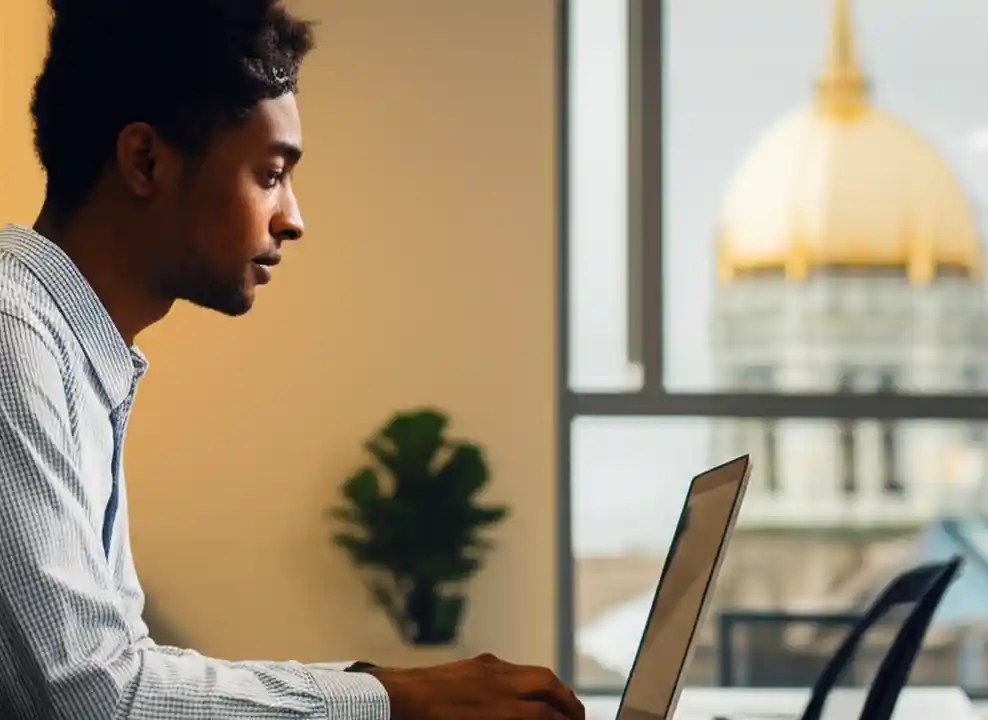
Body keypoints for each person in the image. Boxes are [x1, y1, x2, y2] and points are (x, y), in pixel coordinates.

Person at [0, 1, 585, 718]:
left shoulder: (73, 348)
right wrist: (395, 700)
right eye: (270, 174)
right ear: (145, 160)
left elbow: (127, 671)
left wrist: (388, 687)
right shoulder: (12, 334)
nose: (292, 218)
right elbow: (94, 699)